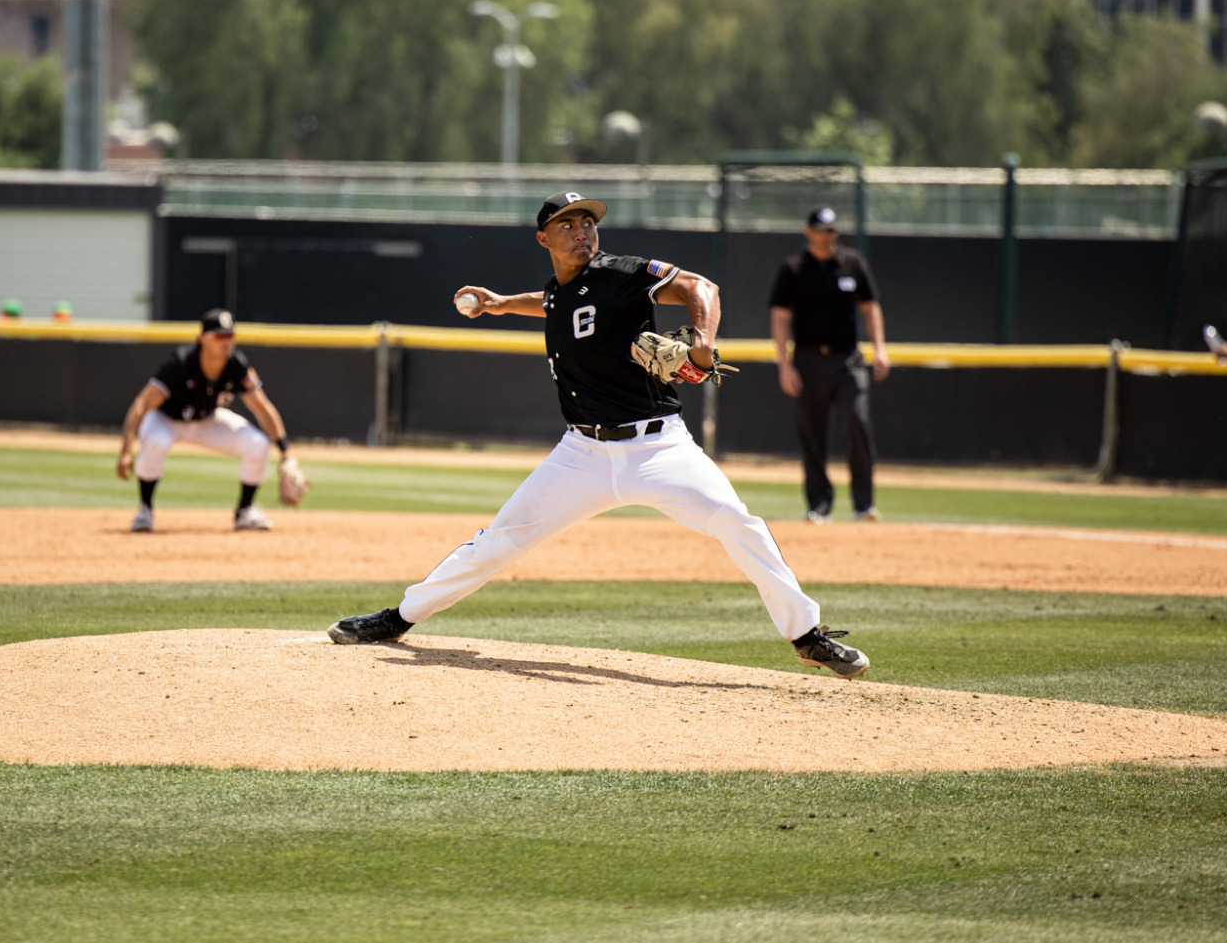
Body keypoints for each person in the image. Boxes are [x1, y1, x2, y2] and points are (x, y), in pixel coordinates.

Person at [325, 190, 870, 679]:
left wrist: (702, 340)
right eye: (567, 224)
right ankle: (398, 618)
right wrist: (499, 303)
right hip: (581, 453)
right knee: (500, 539)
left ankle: (807, 636)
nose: (582, 231)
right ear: (544, 239)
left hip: (658, 447)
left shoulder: (621, 273)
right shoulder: (561, 291)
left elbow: (700, 286)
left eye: (588, 222)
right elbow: (553, 303)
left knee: (737, 523)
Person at [116, 308, 294, 533]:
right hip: (166, 419)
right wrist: (125, 450)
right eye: (220, 336)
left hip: (206, 420)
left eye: (230, 335)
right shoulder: (180, 363)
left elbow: (262, 407)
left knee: (257, 444)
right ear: (203, 339)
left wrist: (286, 453)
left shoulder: (237, 365)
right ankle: (145, 510)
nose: (226, 341)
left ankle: (245, 512)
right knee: (157, 441)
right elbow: (141, 405)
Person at [769, 207, 889, 523]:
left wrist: (880, 349)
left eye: (832, 230)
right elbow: (781, 318)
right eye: (822, 230)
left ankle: (863, 505)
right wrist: (784, 365)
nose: (827, 236)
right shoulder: (793, 269)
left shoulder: (852, 264)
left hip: (847, 359)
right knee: (812, 434)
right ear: (808, 231)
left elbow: (870, 308)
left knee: (856, 422)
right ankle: (819, 506)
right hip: (807, 360)